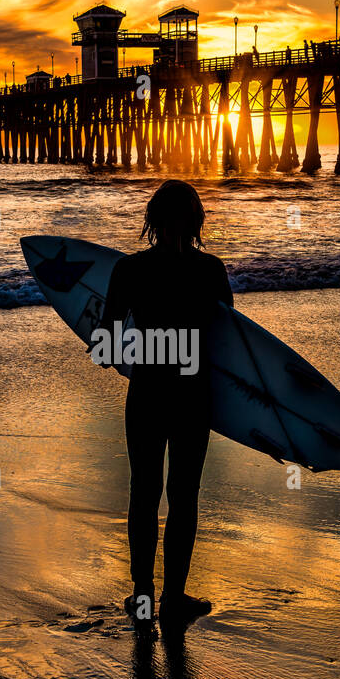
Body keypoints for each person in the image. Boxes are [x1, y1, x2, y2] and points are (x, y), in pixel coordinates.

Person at [98, 180, 233, 630]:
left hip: (149, 393)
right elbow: (227, 345)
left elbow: (108, 343)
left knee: (144, 494)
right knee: (183, 496)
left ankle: (142, 598)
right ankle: (174, 599)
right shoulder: (211, 271)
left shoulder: (129, 271)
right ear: (197, 222)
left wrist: (132, 362)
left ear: (151, 221)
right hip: (194, 396)